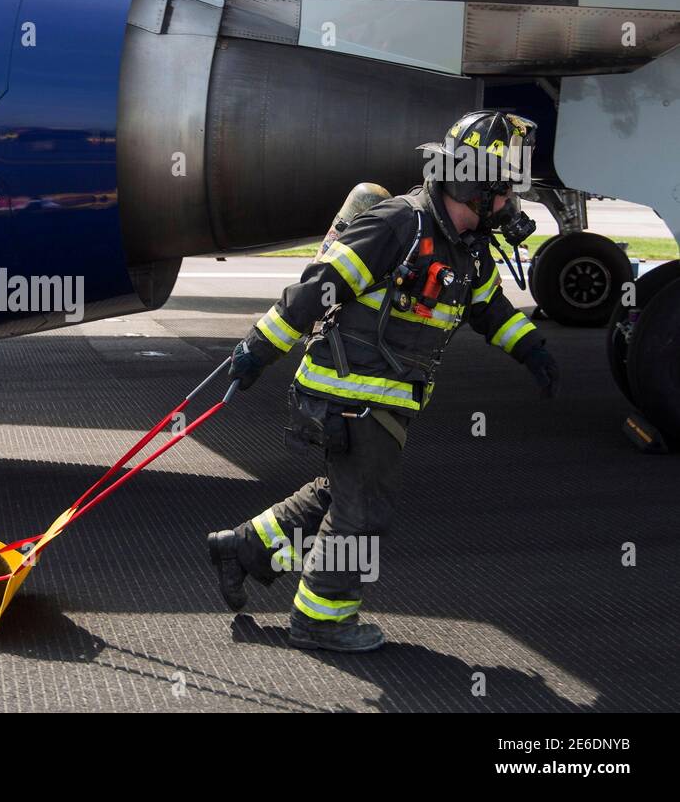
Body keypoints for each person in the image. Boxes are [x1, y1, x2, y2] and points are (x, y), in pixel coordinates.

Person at [207, 110, 561, 653]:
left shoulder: (466, 250)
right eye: (504, 192)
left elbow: (488, 307)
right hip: (348, 395)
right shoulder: (400, 225)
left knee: (343, 495)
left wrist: (531, 347)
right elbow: (317, 290)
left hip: (383, 399)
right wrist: (258, 349)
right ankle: (320, 620)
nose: (510, 205)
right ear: (474, 184)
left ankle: (246, 549)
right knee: (364, 515)